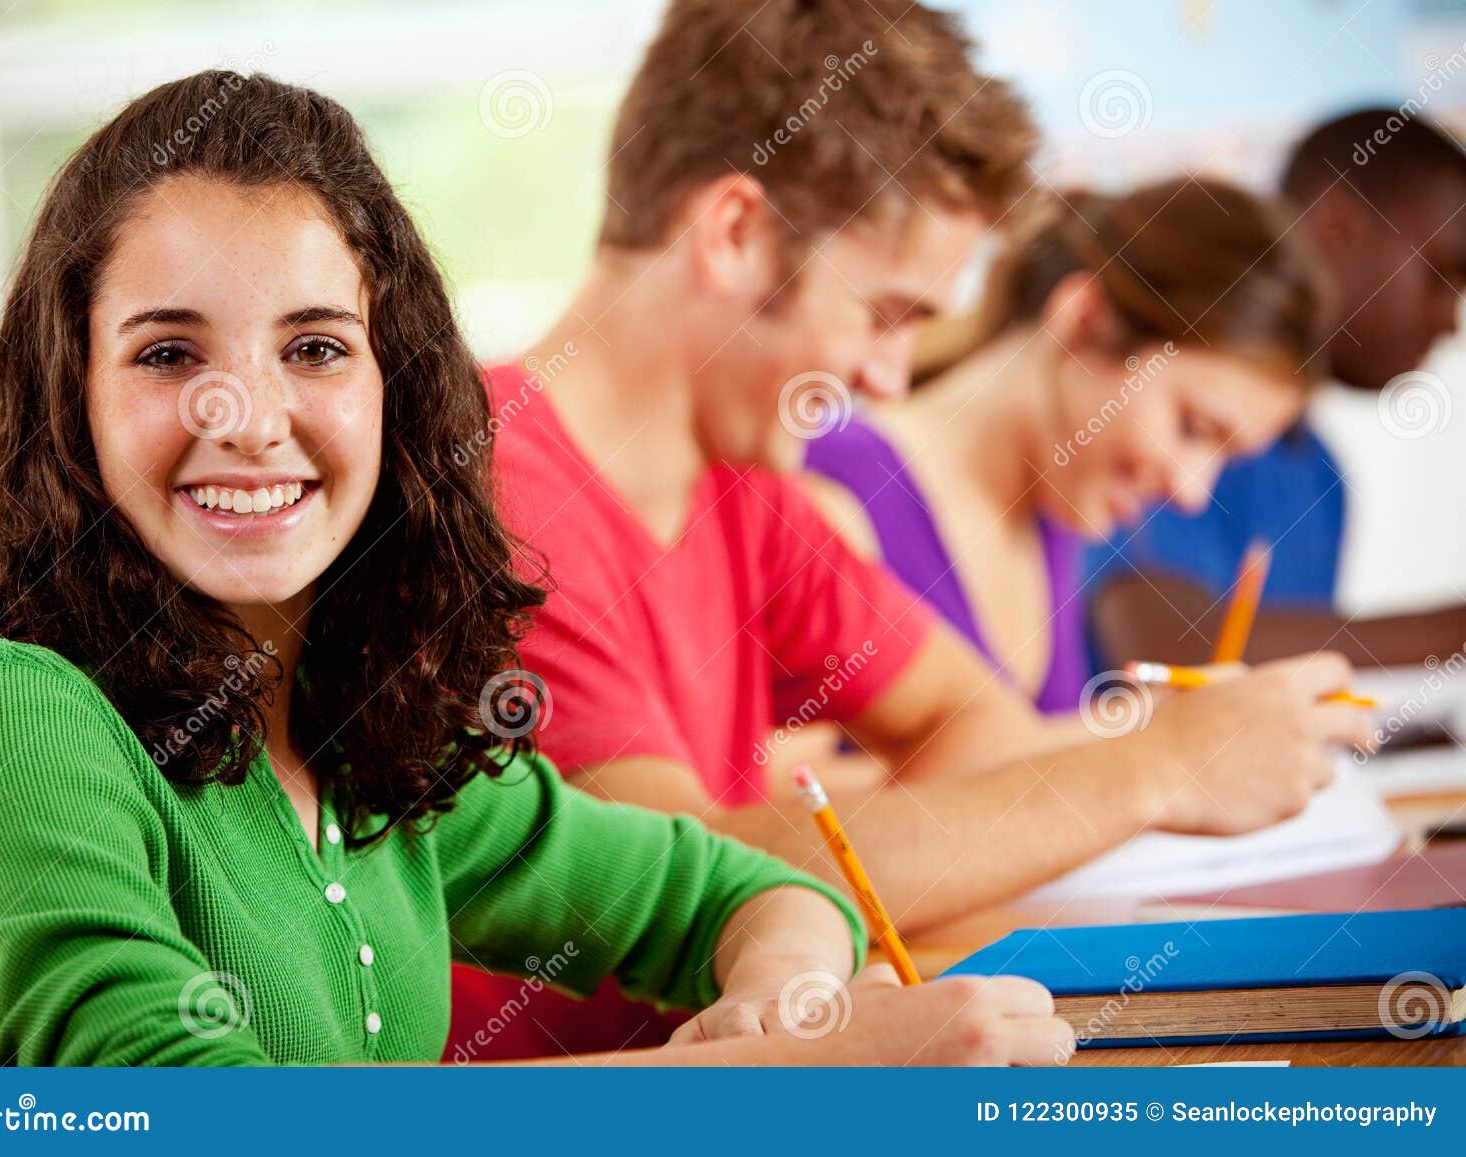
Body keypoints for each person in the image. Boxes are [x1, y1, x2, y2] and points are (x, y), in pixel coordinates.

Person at [0, 71, 1076, 1068]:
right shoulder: (12, 724)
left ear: (395, 390)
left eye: (317, 347)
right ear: (69, 404)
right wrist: (765, 1075)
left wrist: (785, 997)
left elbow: (754, 889)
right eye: (169, 350)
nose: (246, 413)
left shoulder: (367, 740)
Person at [451, 0, 1368, 1059]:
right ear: (736, 232)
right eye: (885, 313)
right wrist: (1156, 769)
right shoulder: (488, 502)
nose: (886, 377)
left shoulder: (744, 485)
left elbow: (967, 717)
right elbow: (692, 878)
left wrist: (885, 863)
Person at [802, 178, 1330, 714]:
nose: (1192, 492)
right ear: (1082, 321)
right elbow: (771, 794)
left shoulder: (1053, 516)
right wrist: (1162, 757)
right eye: (1192, 427)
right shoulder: (828, 496)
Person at [1088, 109, 1466, 667]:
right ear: (1337, 229)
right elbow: (1167, 653)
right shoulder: (1155, 421)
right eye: (1439, 275)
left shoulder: (1319, 476)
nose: (1451, 320)